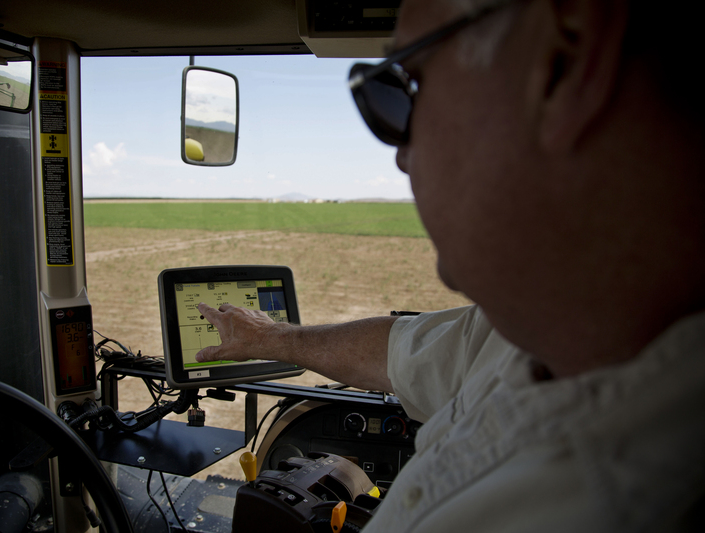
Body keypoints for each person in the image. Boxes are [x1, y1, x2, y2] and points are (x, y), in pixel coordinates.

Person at [197, 0, 705, 530]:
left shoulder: (608, 502)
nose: (401, 156)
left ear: (566, 62)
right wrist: (273, 338)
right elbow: (400, 351)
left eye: (408, 86)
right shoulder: (533, 330)